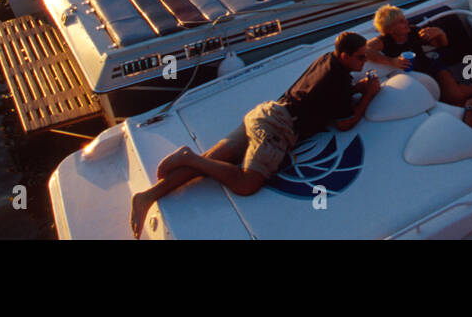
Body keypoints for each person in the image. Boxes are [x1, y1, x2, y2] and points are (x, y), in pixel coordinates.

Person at [130, 32, 380, 238]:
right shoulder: (336, 83)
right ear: (346, 56)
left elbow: (326, 95)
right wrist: (369, 94)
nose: (365, 61)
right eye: (361, 57)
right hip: (278, 128)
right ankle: (188, 157)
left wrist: (355, 87)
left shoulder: (328, 60)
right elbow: (345, 123)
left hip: (267, 112)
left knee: (210, 161)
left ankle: (147, 196)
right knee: (246, 184)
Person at [364, 5, 472, 106]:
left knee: (455, 97)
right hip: (415, 75)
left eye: (404, 19)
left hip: (432, 67)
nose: (407, 22)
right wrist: (392, 61)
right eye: (401, 22)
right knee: (451, 101)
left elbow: (441, 44)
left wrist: (440, 33)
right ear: (390, 30)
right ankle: (469, 97)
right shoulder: (384, 41)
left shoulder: (413, 31)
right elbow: (365, 50)